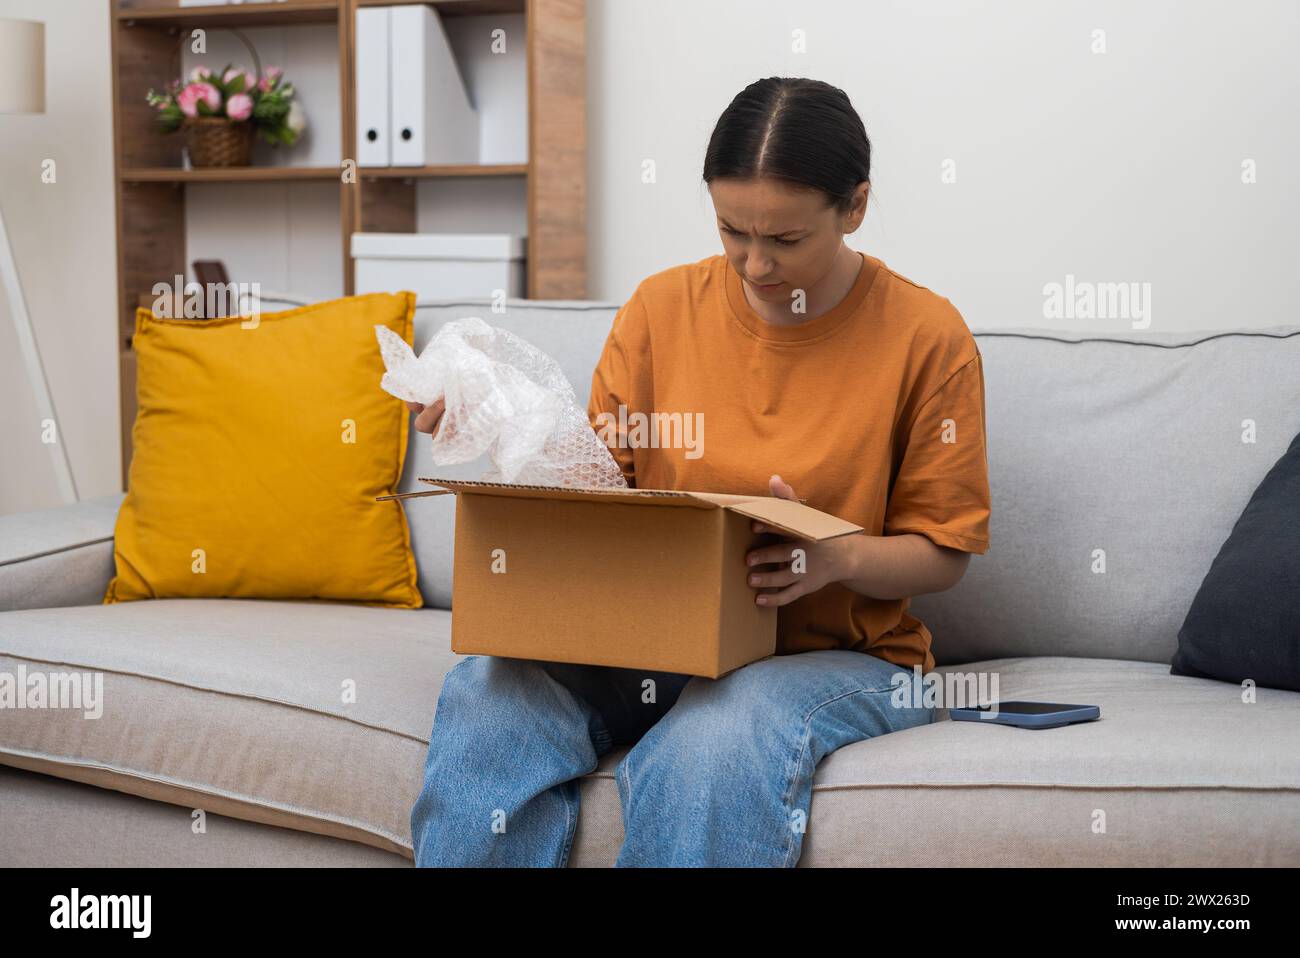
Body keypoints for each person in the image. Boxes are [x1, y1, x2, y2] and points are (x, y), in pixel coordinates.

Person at [406, 76, 991, 867]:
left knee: (716, 738)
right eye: (731, 230)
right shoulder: (658, 309)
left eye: (786, 240)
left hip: (840, 657)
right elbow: (594, 490)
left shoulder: (928, 337)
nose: (755, 264)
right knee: (489, 694)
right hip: (657, 638)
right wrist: (488, 417)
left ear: (854, 207)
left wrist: (834, 558)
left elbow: (944, 549)